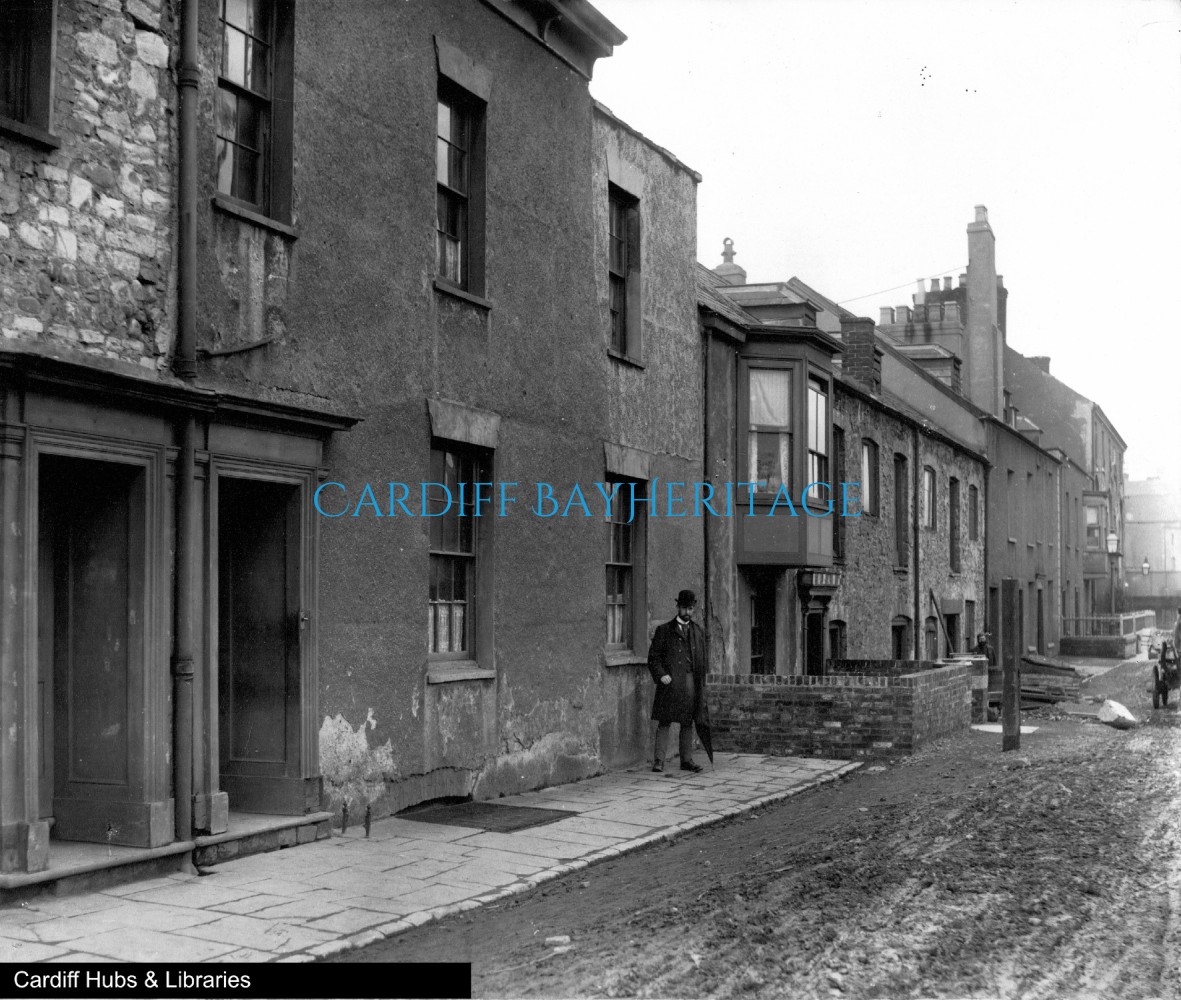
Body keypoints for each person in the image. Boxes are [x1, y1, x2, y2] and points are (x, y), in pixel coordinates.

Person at [647, 589, 707, 773]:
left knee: (687, 722)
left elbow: (702, 659)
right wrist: (661, 675)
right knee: (665, 721)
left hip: (690, 683)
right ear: (677, 607)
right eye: (684, 608)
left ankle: (686, 760)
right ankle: (658, 761)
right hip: (670, 683)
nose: (687, 612)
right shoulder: (664, 630)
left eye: (690, 609)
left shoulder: (697, 631)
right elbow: (653, 658)